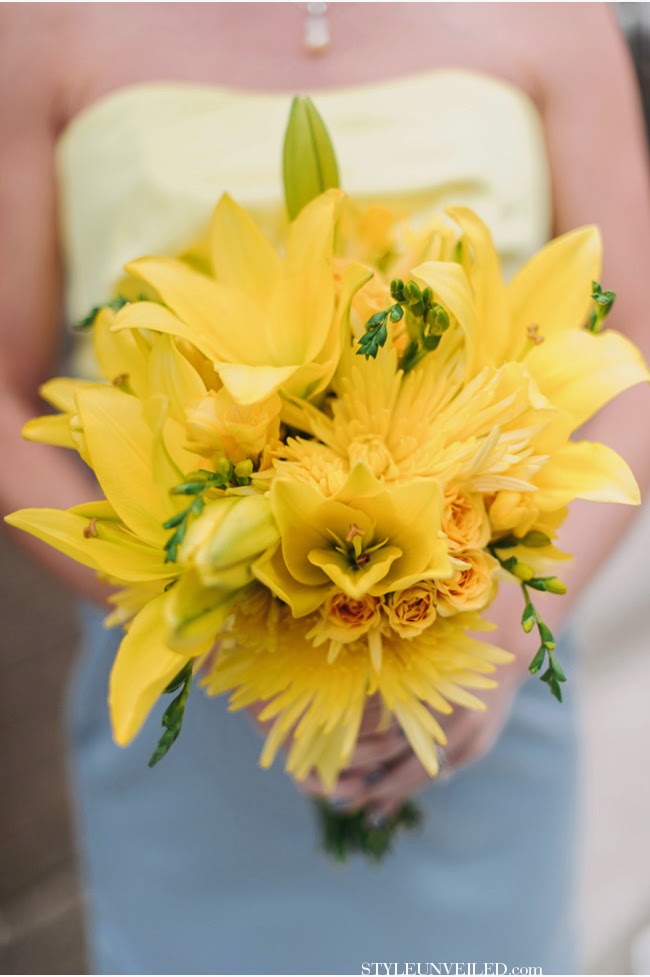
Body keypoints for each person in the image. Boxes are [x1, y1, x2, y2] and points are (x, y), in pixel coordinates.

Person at [1, 3, 649, 973]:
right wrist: (230, 622)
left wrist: (509, 630)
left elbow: (631, 356)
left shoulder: (553, 18)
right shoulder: (44, 26)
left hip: (475, 672)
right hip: (187, 666)